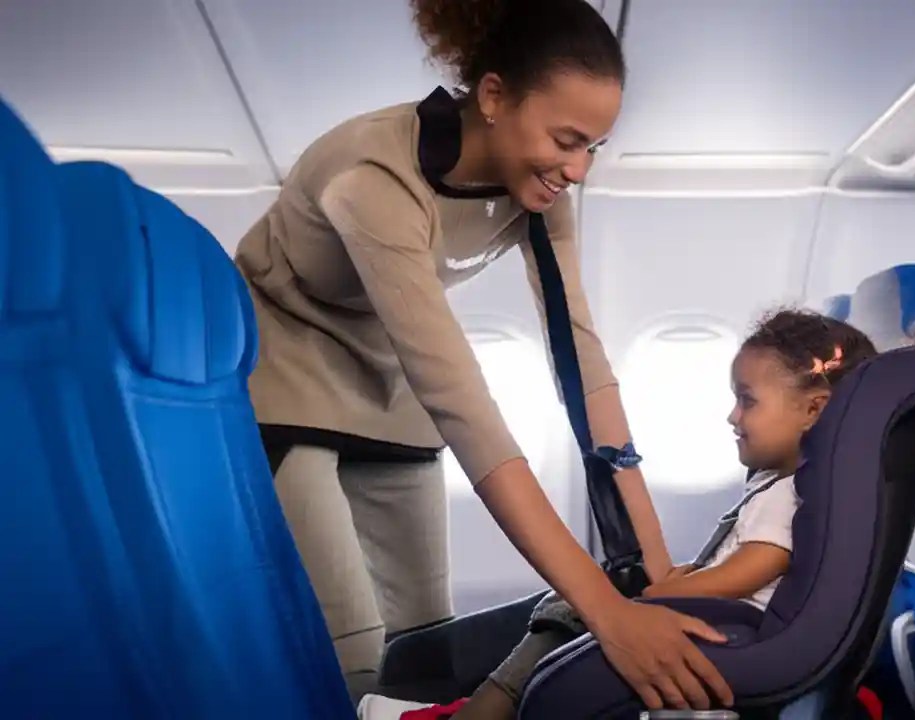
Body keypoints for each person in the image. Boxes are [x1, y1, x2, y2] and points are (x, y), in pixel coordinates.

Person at [232, 0, 731, 709]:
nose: (579, 169)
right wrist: (601, 611)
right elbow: (465, 406)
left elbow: (580, 360)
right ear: (494, 97)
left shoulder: (541, 190)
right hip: (288, 371)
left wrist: (650, 570)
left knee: (423, 644)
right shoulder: (373, 176)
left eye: (594, 146)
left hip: (388, 381)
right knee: (356, 652)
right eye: (566, 139)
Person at [356, 309, 880, 719]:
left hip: (733, 628)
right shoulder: (779, 486)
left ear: (813, 410)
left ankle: (480, 712)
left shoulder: (790, 494)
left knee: (578, 607)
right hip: (727, 614)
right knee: (578, 602)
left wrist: (665, 593)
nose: (732, 415)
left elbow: (752, 570)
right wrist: (679, 578)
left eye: (747, 401)